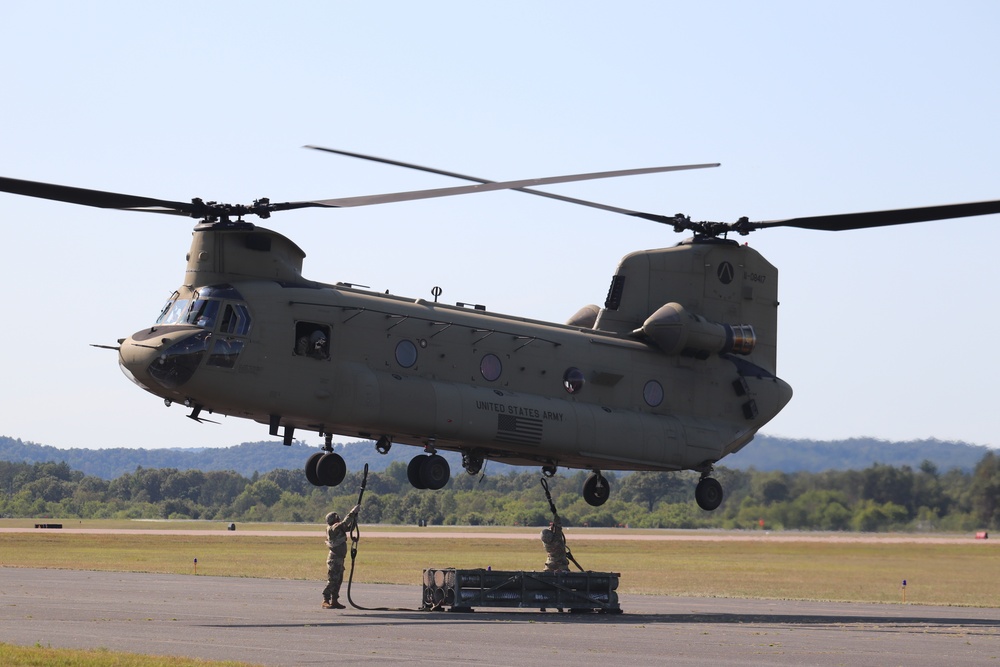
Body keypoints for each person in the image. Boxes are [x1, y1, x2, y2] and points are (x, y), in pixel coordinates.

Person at [322, 504, 360, 609]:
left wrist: (354, 519)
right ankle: (325, 599)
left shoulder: (336, 528)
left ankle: (334, 600)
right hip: (334, 559)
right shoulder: (333, 528)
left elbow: (347, 527)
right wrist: (352, 512)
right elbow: (344, 524)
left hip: (339, 559)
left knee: (338, 580)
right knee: (332, 579)